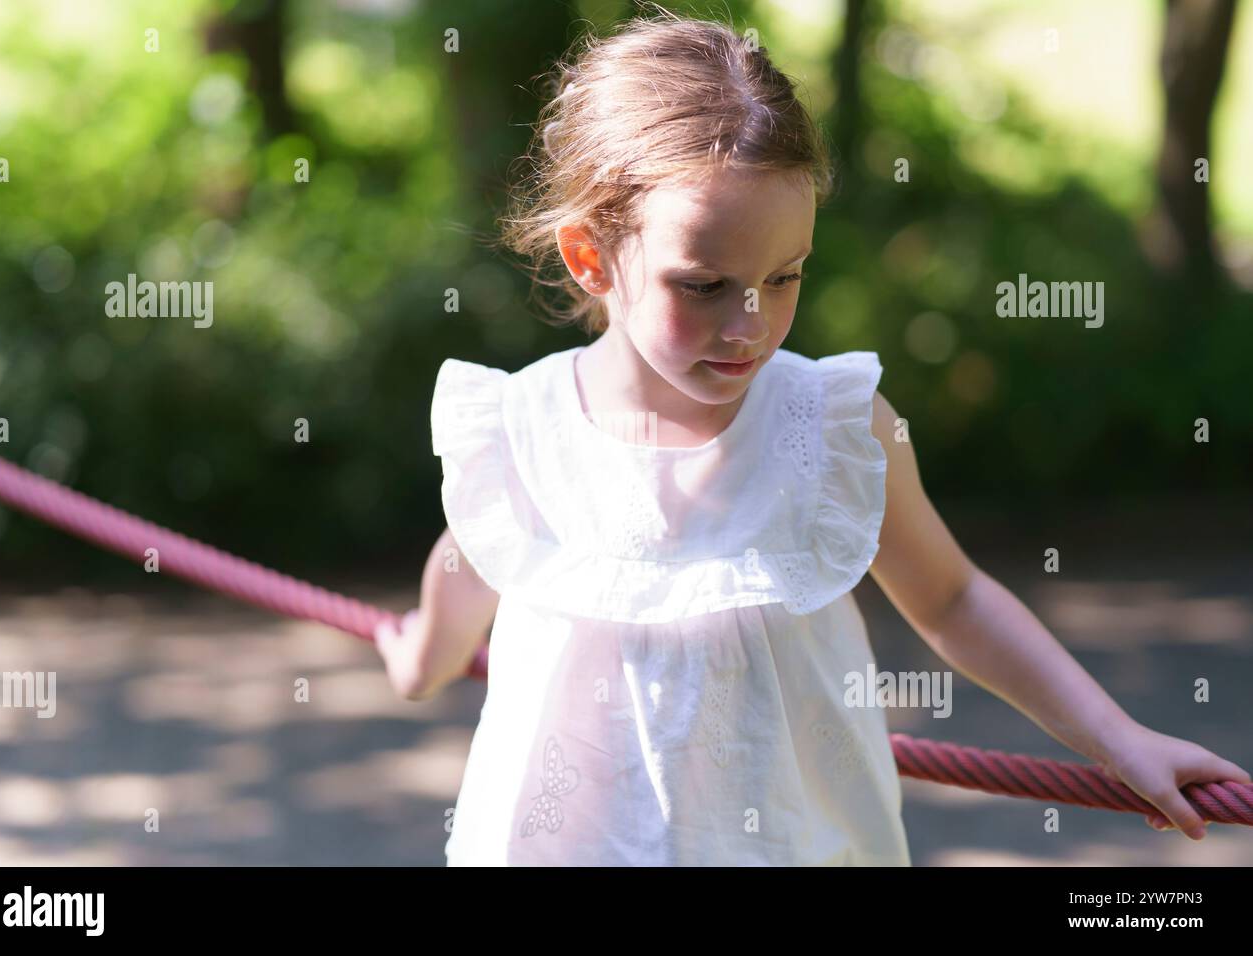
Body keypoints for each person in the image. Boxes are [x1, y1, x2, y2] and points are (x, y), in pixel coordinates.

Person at [375, 5, 1249, 865]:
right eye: (705, 285)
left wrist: (1116, 739)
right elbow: (466, 569)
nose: (750, 323)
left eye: (784, 275)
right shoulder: (523, 430)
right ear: (591, 257)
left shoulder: (828, 428)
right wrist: (421, 657)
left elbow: (953, 599)